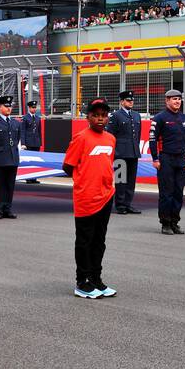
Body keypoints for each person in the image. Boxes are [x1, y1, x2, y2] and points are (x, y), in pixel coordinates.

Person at [64, 98, 118, 298]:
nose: (100, 119)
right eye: (96, 115)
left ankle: (96, 278)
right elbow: (68, 166)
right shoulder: (81, 138)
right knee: (85, 240)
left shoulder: (111, 139)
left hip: (106, 196)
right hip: (86, 197)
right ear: (88, 117)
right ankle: (82, 281)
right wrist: (84, 181)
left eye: (103, 115)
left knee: (99, 241)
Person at [149, 89, 185, 235]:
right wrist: (155, 158)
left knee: (178, 192)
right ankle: (165, 223)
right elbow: (152, 139)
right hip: (165, 159)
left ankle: (175, 222)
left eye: (179, 99)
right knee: (166, 193)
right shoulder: (159, 118)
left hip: (181, 159)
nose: (177, 102)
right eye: (174, 99)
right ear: (167, 101)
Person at [107, 90, 142, 214]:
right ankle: (120, 205)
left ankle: (128, 203)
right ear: (122, 102)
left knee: (131, 180)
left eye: (132, 100)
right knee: (121, 180)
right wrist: (114, 151)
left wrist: (136, 149)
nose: (131, 102)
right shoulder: (115, 115)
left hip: (133, 152)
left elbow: (138, 134)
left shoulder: (137, 115)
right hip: (120, 153)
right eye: (128, 100)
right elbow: (110, 135)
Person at [21, 99, 43, 183]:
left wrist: (40, 142)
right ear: (29, 108)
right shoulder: (25, 118)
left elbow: (39, 131)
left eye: (35, 108)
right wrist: (23, 143)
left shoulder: (37, 118)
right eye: (32, 108)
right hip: (28, 142)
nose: (34, 109)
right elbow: (23, 131)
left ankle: (34, 177)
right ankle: (28, 178)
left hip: (36, 142)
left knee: (35, 160)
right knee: (29, 160)